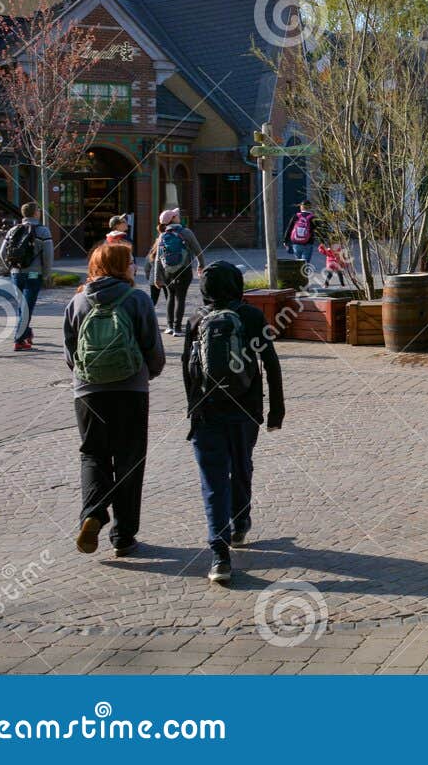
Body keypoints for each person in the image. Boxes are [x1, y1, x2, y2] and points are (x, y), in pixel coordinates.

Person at [182, 261, 284, 585]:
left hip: (207, 412)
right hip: (246, 410)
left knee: (213, 483)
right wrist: (275, 411)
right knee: (241, 466)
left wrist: (193, 410)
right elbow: (270, 362)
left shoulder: (196, 320)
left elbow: (187, 370)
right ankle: (240, 523)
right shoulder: (252, 316)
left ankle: (219, 555)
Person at [63, 242, 165, 558]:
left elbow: (70, 353)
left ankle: (93, 512)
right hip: (130, 390)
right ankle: (123, 536)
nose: (134, 267)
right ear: (121, 267)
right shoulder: (137, 299)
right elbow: (153, 347)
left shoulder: (78, 301)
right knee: (129, 459)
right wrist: (147, 373)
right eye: (130, 262)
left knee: (93, 454)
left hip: (88, 392)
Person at [0, 202, 55, 351]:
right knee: (27, 306)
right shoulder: (43, 231)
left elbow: (2, 252)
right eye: (39, 209)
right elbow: (48, 255)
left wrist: (10, 268)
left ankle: (27, 332)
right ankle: (19, 339)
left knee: (22, 305)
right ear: (36, 213)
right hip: (33, 273)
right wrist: (46, 274)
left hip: (16, 273)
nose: (40, 211)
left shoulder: (13, 229)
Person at [155, 213, 206, 336]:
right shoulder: (186, 232)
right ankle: (177, 329)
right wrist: (201, 265)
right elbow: (197, 249)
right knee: (180, 298)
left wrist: (158, 277)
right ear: (173, 219)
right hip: (184, 269)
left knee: (170, 296)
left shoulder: (162, 235)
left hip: (167, 271)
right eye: (176, 215)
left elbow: (158, 258)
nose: (178, 216)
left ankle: (169, 326)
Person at [284, 200, 317, 265]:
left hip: (296, 243)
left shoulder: (296, 216)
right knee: (305, 264)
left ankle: (299, 274)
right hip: (308, 243)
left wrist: (285, 240)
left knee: (298, 263)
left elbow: (289, 228)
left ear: (301, 207)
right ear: (310, 207)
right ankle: (304, 274)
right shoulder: (313, 217)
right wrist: (324, 242)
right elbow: (319, 230)